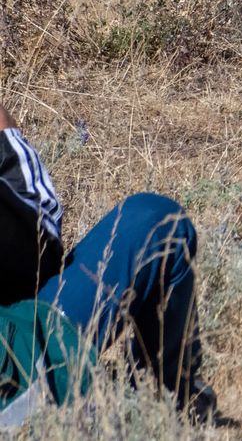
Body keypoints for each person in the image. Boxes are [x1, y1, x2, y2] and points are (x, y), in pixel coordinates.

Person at [0, 103, 213, 424]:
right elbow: (42, 240)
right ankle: (155, 405)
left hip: (27, 340)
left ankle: (157, 401)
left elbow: (39, 245)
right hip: (25, 370)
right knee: (157, 223)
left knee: (155, 223)